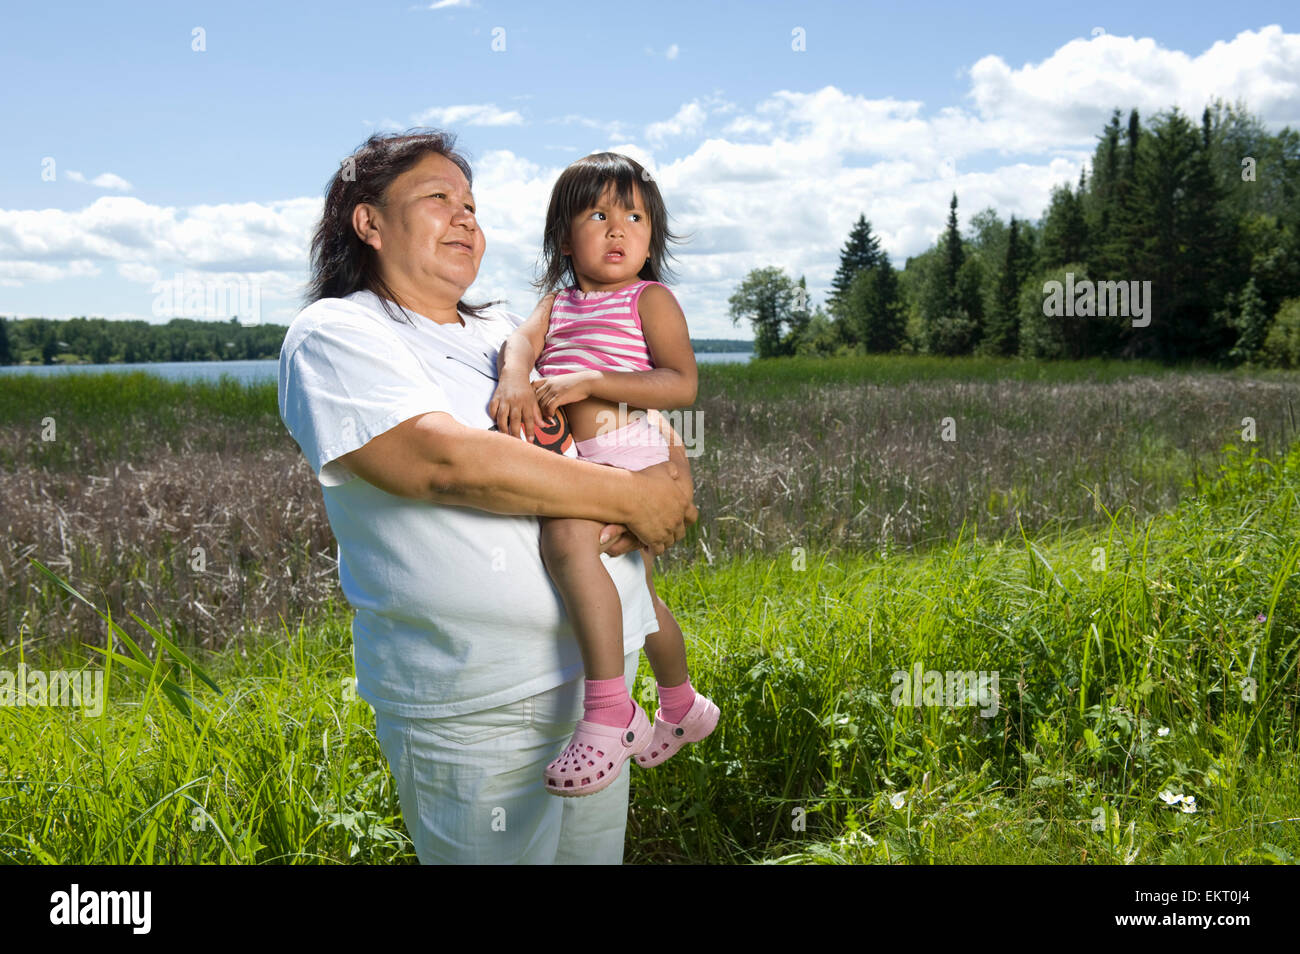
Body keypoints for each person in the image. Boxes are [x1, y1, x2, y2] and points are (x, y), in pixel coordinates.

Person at [276, 129, 697, 863]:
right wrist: (623, 498)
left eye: (471, 203)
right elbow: (442, 461)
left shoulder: (504, 329)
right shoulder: (336, 333)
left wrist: (668, 480)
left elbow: (632, 405)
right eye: (438, 199)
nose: (465, 216)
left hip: (601, 684)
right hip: (477, 702)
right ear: (369, 223)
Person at [489, 153, 718, 797]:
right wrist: (514, 378)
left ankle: (610, 710)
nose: (618, 231)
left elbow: (681, 382)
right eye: (598, 215)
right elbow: (522, 346)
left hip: (633, 451)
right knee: (637, 594)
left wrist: (590, 380)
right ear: (565, 238)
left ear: (652, 237)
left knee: (567, 541)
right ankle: (681, 704)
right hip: (579, 458)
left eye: (634, 217)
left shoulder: (650, 300)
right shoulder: (557, 304)